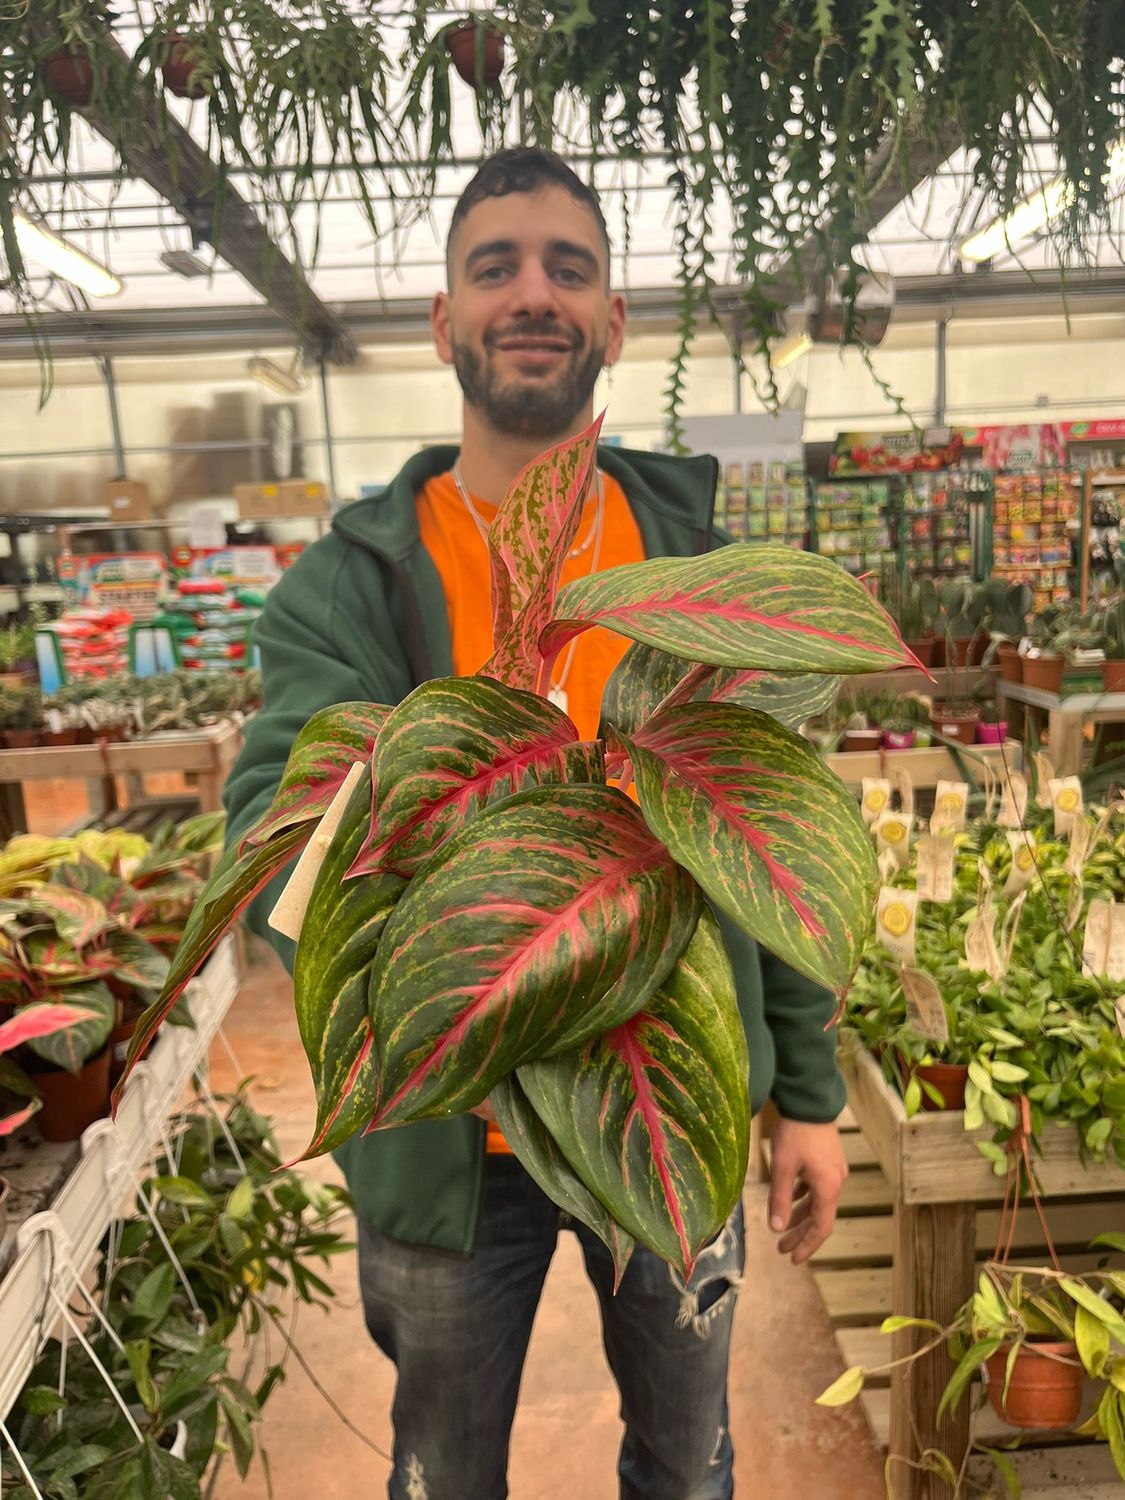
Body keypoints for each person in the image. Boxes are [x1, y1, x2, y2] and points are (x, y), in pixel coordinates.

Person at [224, 147, 848, 1500]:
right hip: (442, 1134)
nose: (532, 293)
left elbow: (771, 833)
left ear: (612, 321)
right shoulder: (342, 587)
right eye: (493, 265)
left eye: (569, 266)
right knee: (444, 1478)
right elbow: (277, 844)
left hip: (657, 1099)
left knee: (687, 1469)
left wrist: (804, 1088)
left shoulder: (693, 565)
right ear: (441, 321)